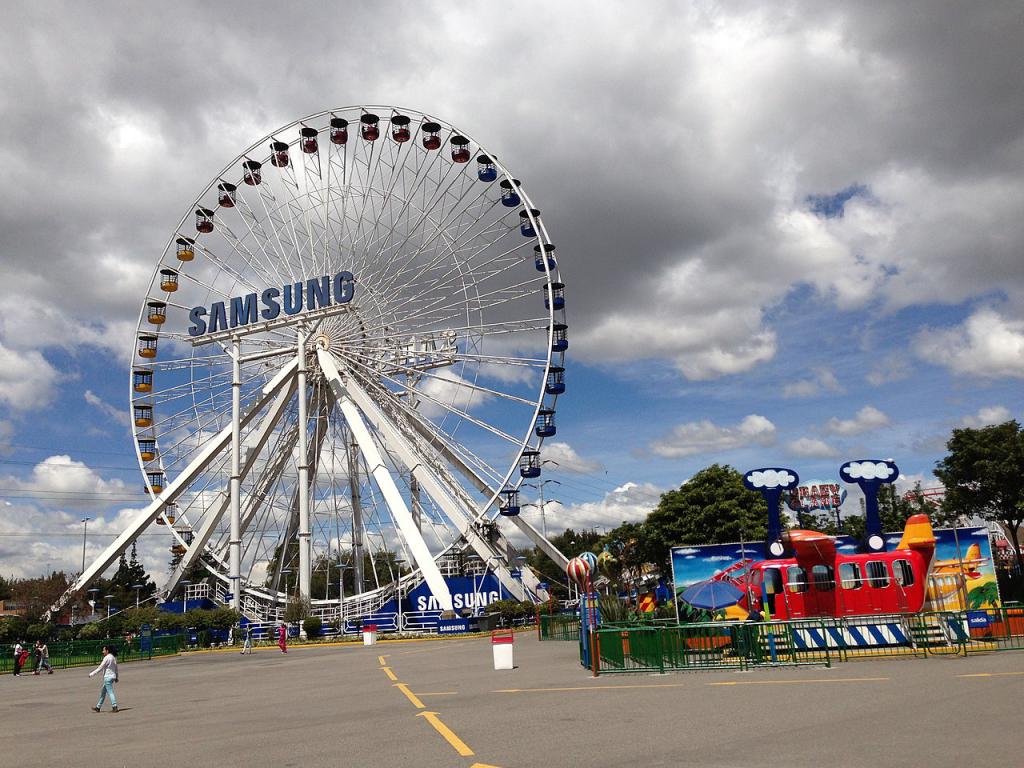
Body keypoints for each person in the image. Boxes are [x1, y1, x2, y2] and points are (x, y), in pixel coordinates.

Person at [89, 645, 119, 713]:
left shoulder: (107, 658)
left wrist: (92, 674)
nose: (102, 652)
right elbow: (116, 668)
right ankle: (98, 707)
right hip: (112, 677)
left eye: (103, 650)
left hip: (108, 677)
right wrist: (116, 677)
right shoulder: (113, 657)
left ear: (107, 651)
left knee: (110, 692)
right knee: (103, 692)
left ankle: (115, 706)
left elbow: (100, 667)